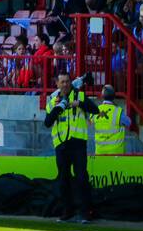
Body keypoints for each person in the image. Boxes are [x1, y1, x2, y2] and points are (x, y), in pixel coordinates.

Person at [44, 72, 98, 221]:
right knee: (63, 179)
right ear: (57, 84)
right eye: (62, 82)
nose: (65, 84)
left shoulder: (79, 96)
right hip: (61, 145)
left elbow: (95, 109)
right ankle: (67, 211)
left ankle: (85, 212)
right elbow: (47, 122)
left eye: (67, 82)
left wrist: (79, 104)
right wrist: (58, 108)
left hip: (78, 144)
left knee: (81, 177)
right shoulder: (53, 101)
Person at [89, 84, 130, 155]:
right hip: (116, 152)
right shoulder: (118, 111)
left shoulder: (95, 110)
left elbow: (89, 122)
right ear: (114, 97)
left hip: (100, 151)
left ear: (102, 96)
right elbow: (129, 123)